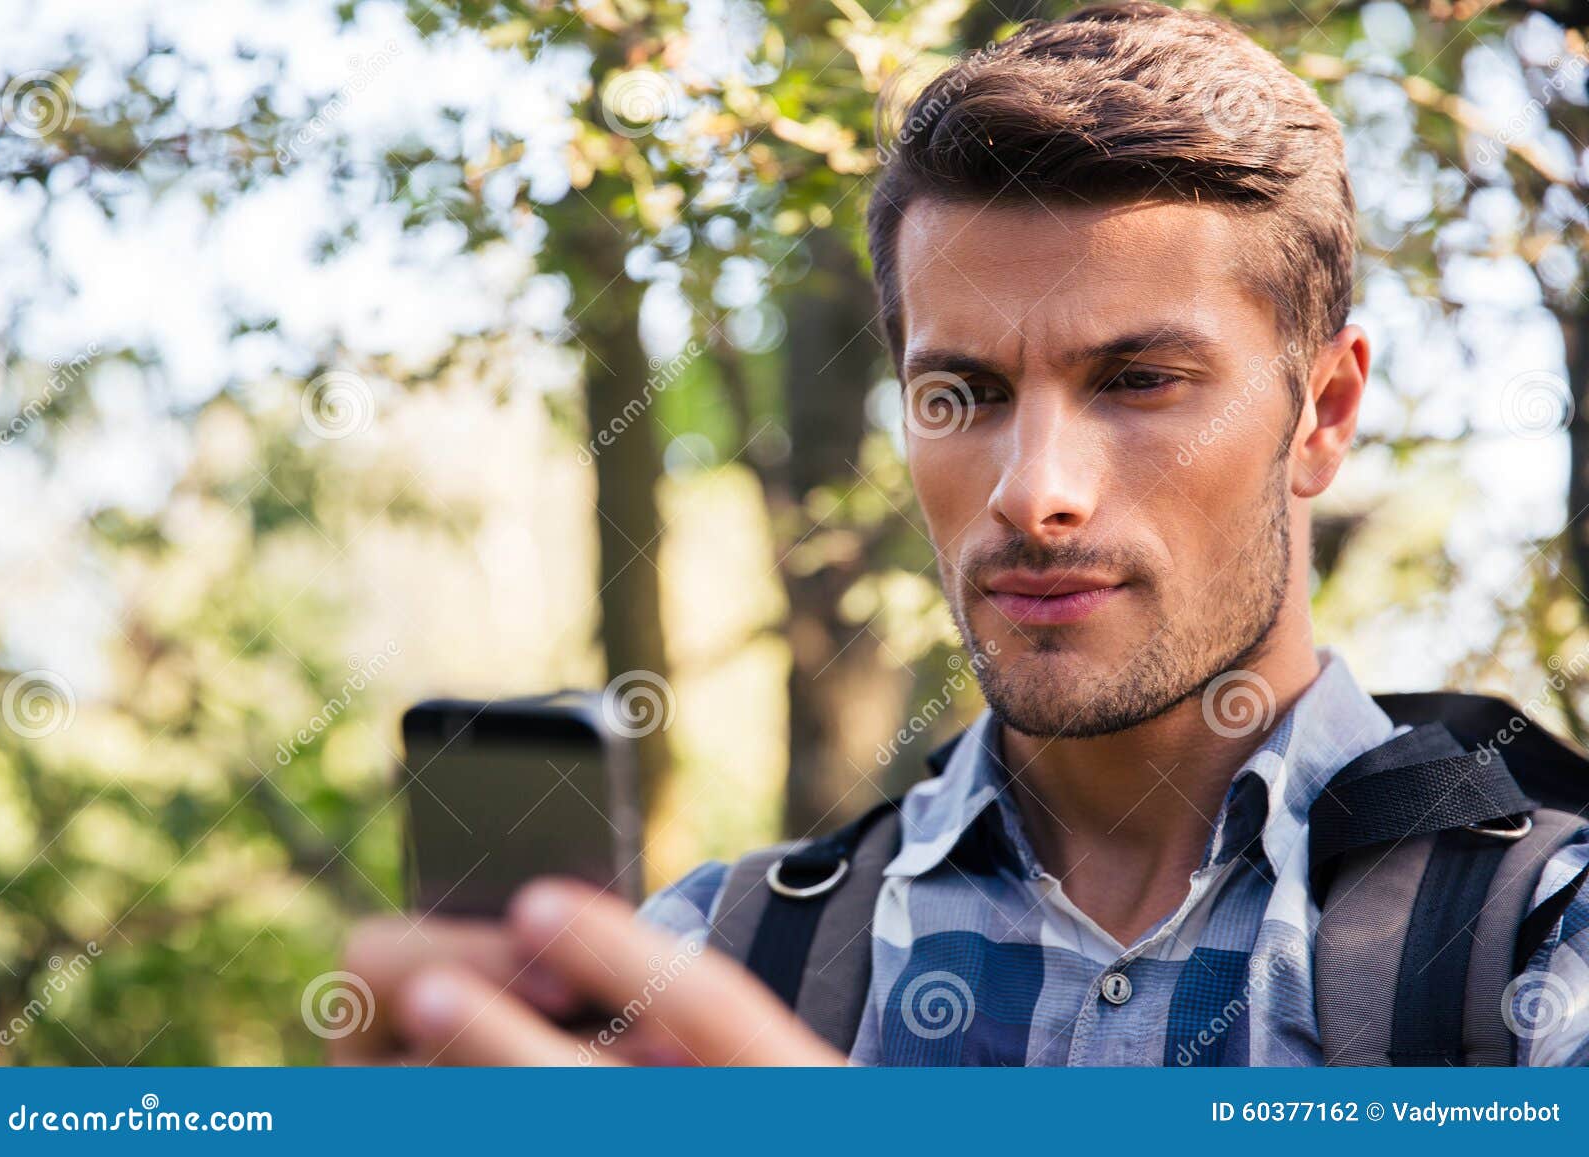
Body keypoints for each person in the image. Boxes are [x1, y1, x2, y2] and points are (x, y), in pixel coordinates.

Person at [335, 1, 1589, 1067]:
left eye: (1138, 380)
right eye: (965, 395)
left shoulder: (1542, 942)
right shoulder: (705, 960)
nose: (1033, 491)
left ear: (1322, 412)